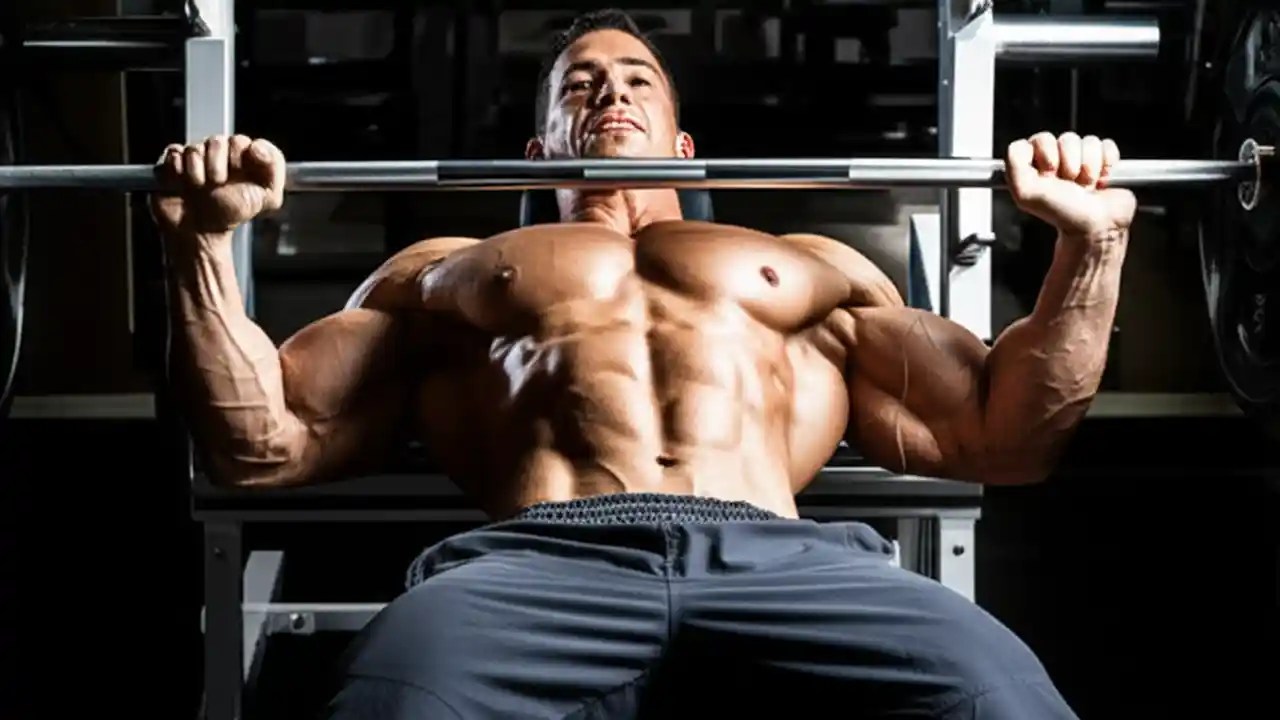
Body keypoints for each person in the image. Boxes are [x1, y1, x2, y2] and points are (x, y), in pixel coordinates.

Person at [151, 9, 1134, 719]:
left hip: (780, 562)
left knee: (1000, 695)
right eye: (578, 84)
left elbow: (1005, 437)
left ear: (684, 145)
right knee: (388, 700)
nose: (609, 91)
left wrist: (1091, 246)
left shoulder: (806, 267)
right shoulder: (448, 272)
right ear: (541, 149)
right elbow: (262, 444)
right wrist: (197, 244)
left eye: (636, 79)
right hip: (537, 565)